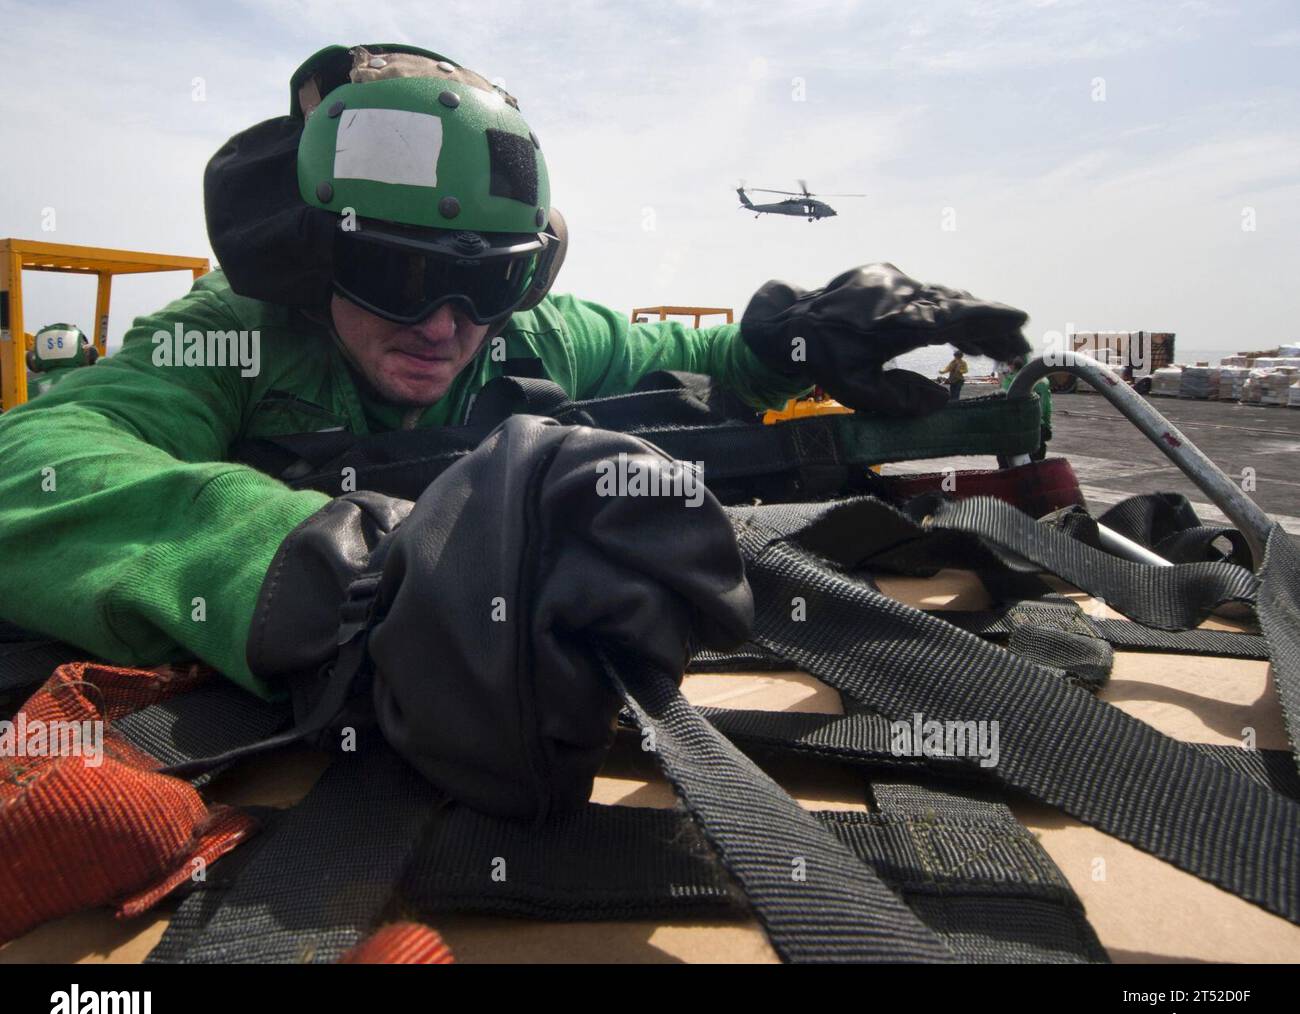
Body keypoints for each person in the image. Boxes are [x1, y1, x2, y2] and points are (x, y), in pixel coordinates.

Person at [0, 43, 1033, 818]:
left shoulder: (534, 339)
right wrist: (314, 570)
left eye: (486, 279)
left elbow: (699, 366)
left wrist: (798, 343)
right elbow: (38, 463)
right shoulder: (234, 337)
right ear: (316, 261)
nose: (445, 324)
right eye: (399, 275)